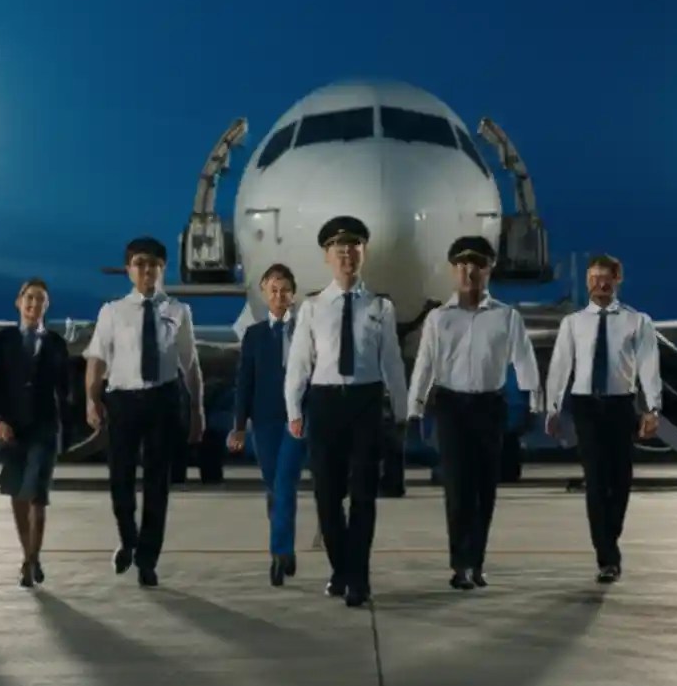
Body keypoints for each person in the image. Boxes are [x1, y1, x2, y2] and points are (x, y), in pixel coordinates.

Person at [285, 216, 408, 608]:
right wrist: (293, 408)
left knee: (363, 496)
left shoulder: (380, 307)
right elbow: (299, 363)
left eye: (354, 247)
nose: (347, 254)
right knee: (326, 495)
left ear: (363, 254)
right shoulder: (312, 307)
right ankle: (341, 567)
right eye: (339, 249)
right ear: (327, 256)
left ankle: (359, 578)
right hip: (324, 403)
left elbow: (392, 362)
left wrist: (403, 411)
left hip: (366, 403)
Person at [408, 236, 542, 590]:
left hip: (489, 407)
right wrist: (414, 408)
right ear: (454, 270)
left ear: (488, 269)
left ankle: (476, 561)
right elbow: (425, 364)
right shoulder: (439, 318)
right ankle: (460, 565)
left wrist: (534, 405)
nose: (470, 271)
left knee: (485, 488)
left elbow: (524, 361)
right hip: (451, 407)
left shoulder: (505, 317)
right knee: (456, 486)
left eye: (477, 265)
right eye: (462, 265)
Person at [84, 237, 204, 588]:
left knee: (157, 483)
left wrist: (197, 409)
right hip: (123, 400)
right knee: (120, 478)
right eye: (139, 263)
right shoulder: (112, 311)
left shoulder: (179, 311)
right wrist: (92, 400)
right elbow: (97, 359)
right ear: (128, 270)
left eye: (152, 264)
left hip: (163, 400)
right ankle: (128, 538)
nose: (146, 270)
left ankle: (148, 558)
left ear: (162, 268)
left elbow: (190, 364)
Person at [545, 254, 662, 583]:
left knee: (621, 479)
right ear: (587, 282)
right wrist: (552, 408)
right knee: (596, 480)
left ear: (617, 280)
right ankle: (606, 556)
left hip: (620, 406)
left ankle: (610, 537)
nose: (600, 284)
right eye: (594, 278)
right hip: (586, 407)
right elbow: (560, 367)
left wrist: (653, 408)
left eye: (605, 278)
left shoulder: (637, 322)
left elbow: (649, 368)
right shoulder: (573, 323)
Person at [0, 277, 70, 588]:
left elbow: (65, 390)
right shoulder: (2, 340)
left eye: (41, 300)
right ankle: (28, 554)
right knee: (18, 494)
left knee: (37, 494)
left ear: (47, 307)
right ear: (19, 302)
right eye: (30, 298)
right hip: (12, 428)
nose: (34, 305)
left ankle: (31, 560)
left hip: (45, 427)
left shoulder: (56, 344)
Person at [228, 263, 308, 587]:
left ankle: (280, 553)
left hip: (296, 421)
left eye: (284, 289)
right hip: (264, 421)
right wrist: (239, 425)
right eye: (273, 290)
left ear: (293, 294)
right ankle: (282, 541)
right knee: (273, 487)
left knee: (285, 482)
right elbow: (244, 382)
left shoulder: (305, 329)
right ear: (264, 293)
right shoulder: (255, 335)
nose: (279, 295)